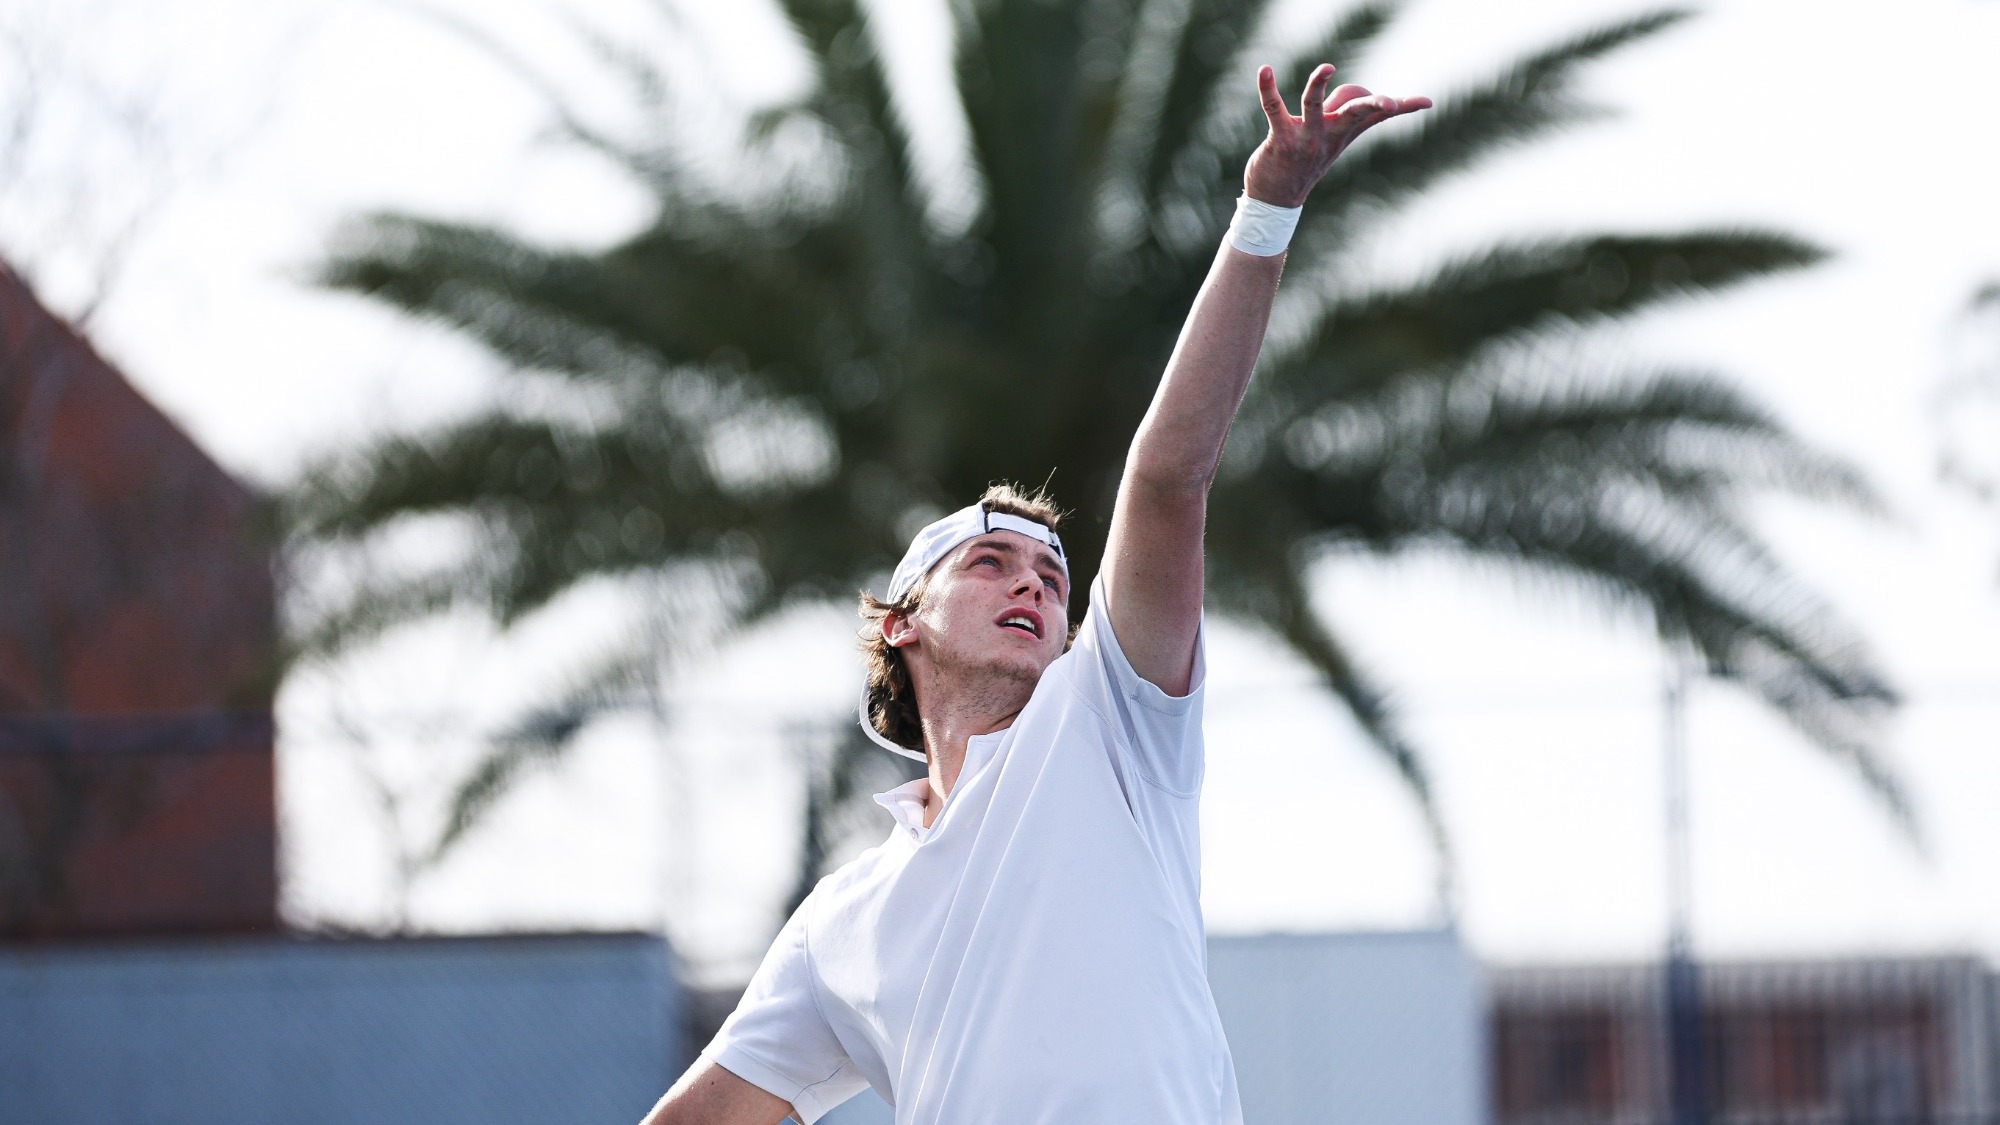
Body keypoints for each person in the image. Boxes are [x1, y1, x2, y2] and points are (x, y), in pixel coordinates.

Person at [640, 62, 1430, 1125]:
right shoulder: (840, 924)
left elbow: (1166, 478)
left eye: (1052, 577)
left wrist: (1266, 206)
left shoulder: (1110, 722)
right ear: (898, 623)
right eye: (990, 563)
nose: (1033, 583)